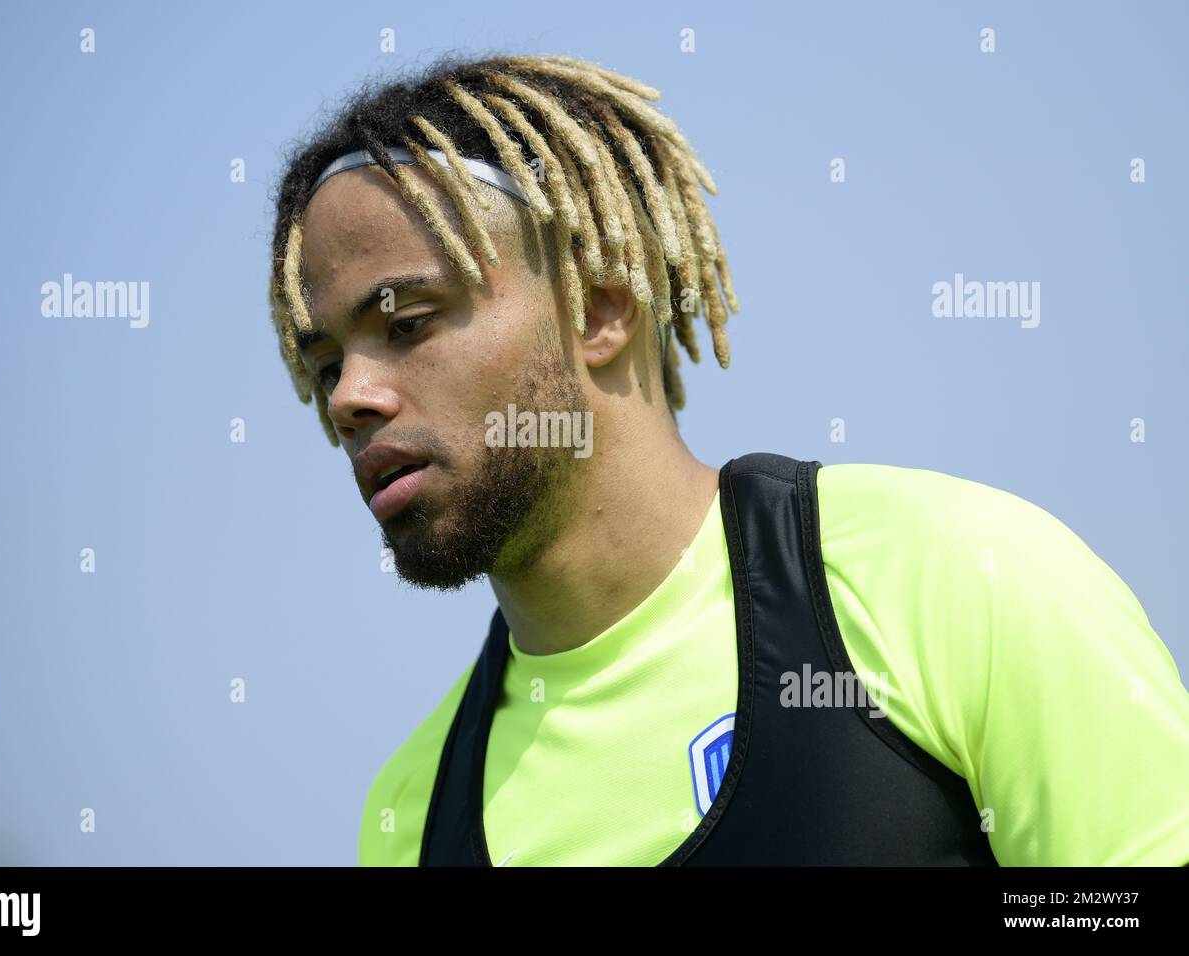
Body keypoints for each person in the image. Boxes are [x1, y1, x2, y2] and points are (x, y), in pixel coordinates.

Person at [265, 53, 1189, 866]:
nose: (352, 397)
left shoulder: (950, 578)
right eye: (326, 363)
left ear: (599, 308)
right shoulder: (411, 815)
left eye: (407, 324)